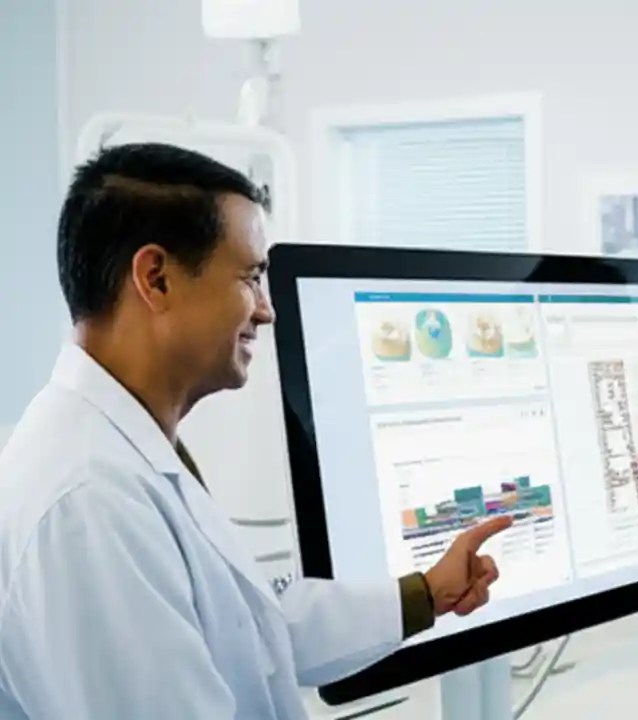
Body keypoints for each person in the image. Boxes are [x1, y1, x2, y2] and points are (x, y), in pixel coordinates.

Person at [0, 143, 512, 719]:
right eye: (251, 277)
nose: (266, 310)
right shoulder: (89, 503)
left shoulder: (125, 448)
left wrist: (425, 592)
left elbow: (249, 629)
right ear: (157, 279)